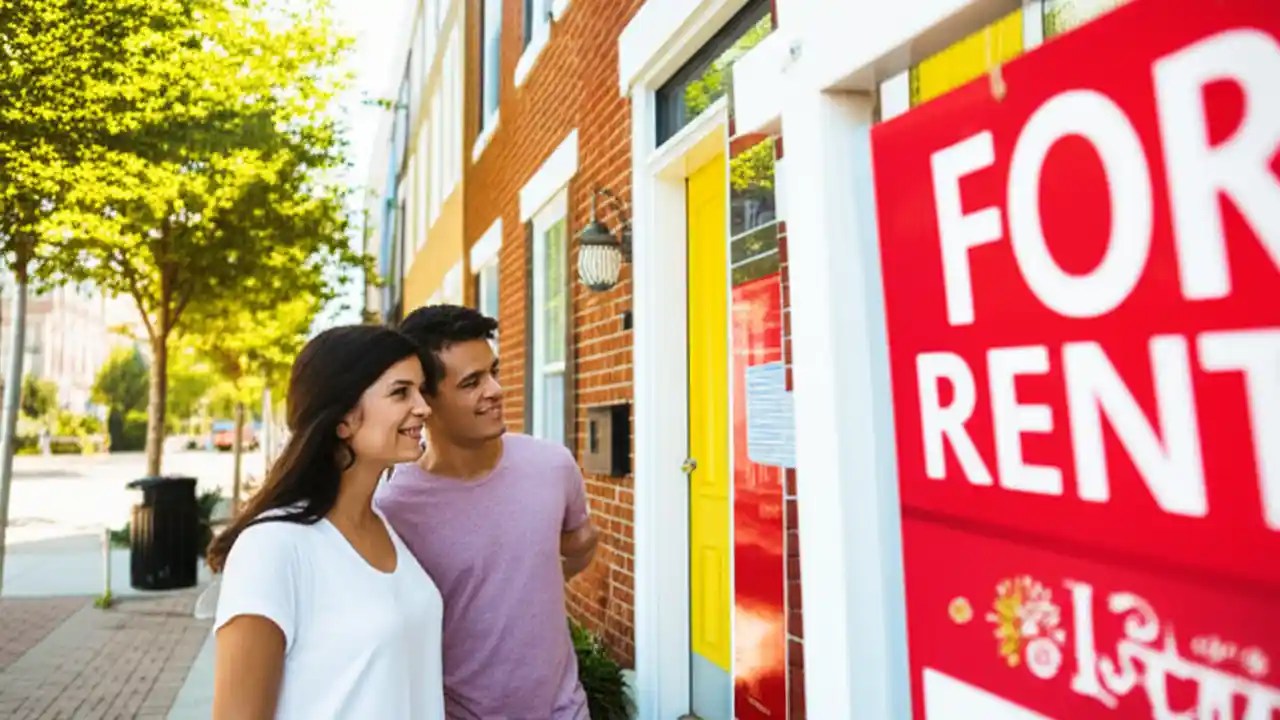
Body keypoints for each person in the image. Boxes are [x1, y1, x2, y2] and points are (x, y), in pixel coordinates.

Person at [206, 325, 445, 720]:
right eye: (401, 392)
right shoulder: (273, 546)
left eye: (420, 390)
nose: (423, 407)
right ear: (343, 419)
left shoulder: (383, 527)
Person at [375, 304, 600, 720]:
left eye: (493, 372)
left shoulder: (552, 465)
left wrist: (529, 581)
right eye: (472, 382)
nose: (495, 389)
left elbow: (581, 542)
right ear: (425, 400)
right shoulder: (392, 509)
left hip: (564, 711)